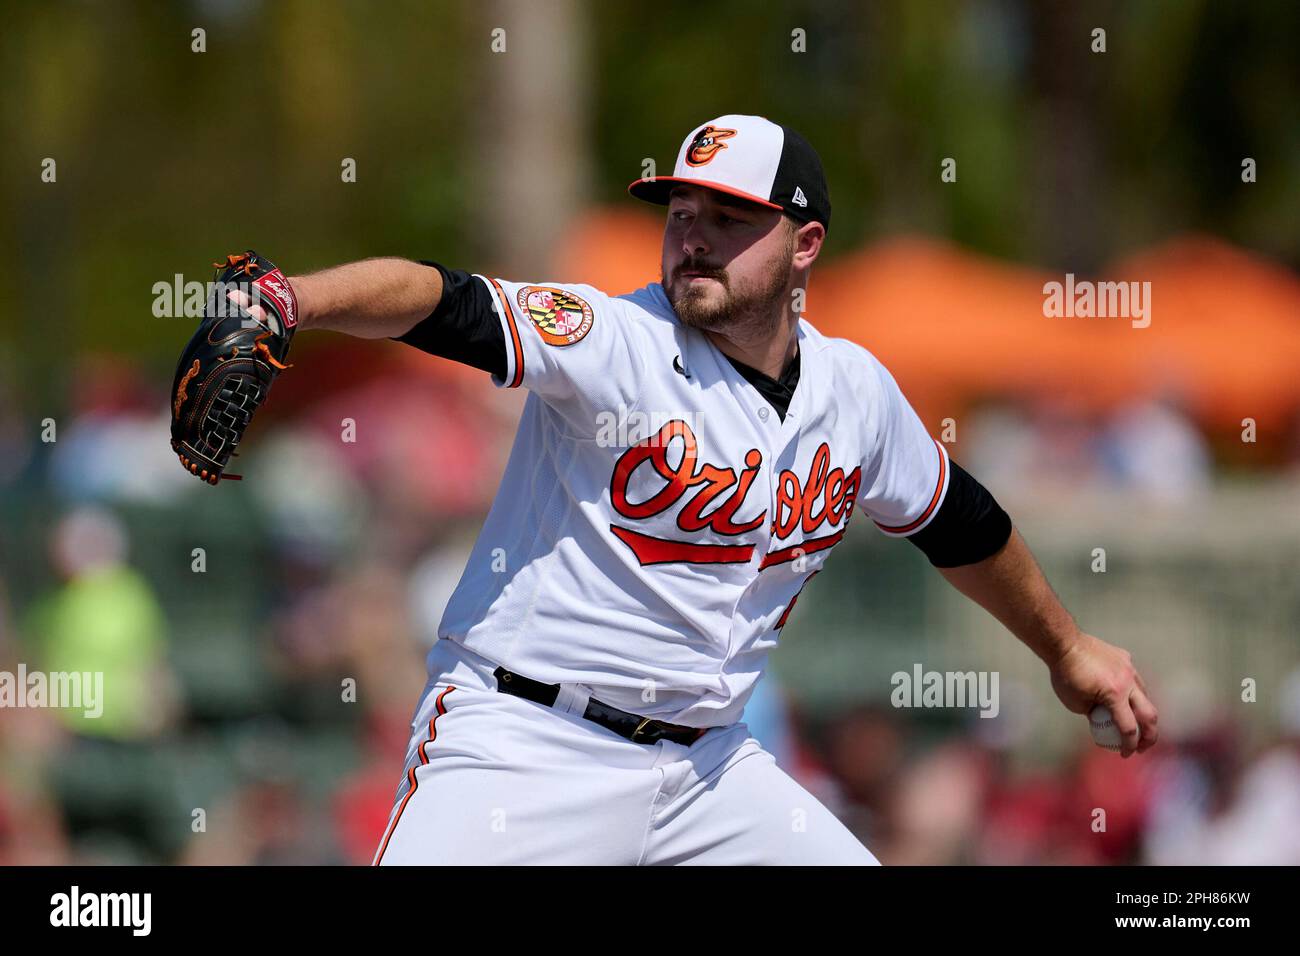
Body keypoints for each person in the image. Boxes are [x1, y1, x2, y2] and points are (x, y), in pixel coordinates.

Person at [232, 115, 1158, 864]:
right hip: (523, 742)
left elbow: (959, 522)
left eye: (729, 218)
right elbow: (448, 301)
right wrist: (297, 303)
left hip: (709, 771)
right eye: (682, 211)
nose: (694, 239)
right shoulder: (616, 341)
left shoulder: (856, 392)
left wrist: (1067, 647)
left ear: (806, 244)